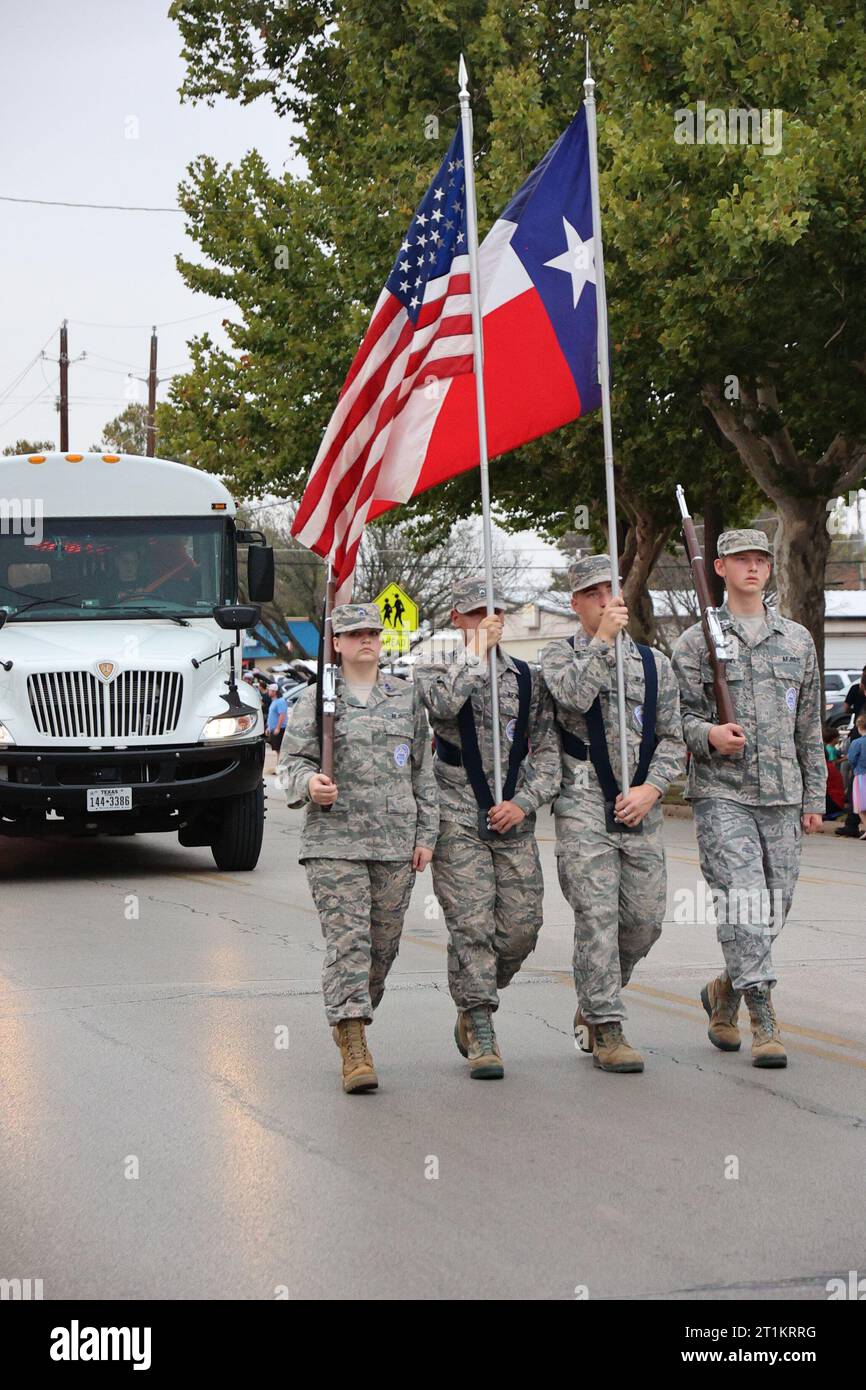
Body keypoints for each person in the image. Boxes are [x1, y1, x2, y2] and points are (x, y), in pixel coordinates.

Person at [672, 529, 825, 1068]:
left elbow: (809, 724)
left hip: (783, 794)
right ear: (719, 567)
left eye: (761, 559)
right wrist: (708, 735)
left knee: (772, 908)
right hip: (724, 793)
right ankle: (763, 1015)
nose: (753, 568)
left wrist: (815, 795)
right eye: (741, 560)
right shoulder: (697, 642)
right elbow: (676, 718)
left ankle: (725, 989)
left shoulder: (797, 640)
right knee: (743, 901)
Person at [277, 602, 438, 1093]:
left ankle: (352, 1013)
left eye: (373, 632)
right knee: (349, 943)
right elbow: (291, 762)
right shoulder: (317, 700)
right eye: (354, 633)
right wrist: (310, 785)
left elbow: (422, 772)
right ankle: (353, 1041)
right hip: (334, 841)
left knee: (382, 948)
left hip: (394, 842)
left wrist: (426, 835)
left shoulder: (406, 696)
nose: (366, 639)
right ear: (337, 643)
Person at [541, 555, 685, 1074]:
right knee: (597, 918)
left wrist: (653, 787)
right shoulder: (559, 656)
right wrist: (601, 642)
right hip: (583, 802)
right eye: (592, 593)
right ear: (576, 603)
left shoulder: (654, 663)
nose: (605, 600)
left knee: (644, 921)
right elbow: (573, 697)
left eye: (610, 590)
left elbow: (673, 737)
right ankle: (606, 1024)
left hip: (640, 805)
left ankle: (595, 994)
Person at [414, 577, 560, 1081]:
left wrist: (524, 802)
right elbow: (443, 707)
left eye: (494, 612)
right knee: (471, 925)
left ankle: (475, 989)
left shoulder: (528, 679)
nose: (488, 620)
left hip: (512, 816)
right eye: (477, 613)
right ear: (457, 618)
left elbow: (548, 754)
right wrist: (475, 652)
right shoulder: (435, 668)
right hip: (455, 811)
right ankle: (479, 1020)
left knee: (522, 927)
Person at [846, 713, 866, 838]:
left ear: (859, 727)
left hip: (861, 775)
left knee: (860, 805)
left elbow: (851, 759)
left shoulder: (857, 743)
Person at [266, 683, 288, 752]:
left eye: (269, 690)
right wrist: (269, 728)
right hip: (274, 729)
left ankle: (280, 759)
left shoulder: (280, 701)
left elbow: (282, 715)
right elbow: (272, 716)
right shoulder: (274, 701)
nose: (268, 691)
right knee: (277, 750)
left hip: (280, 729)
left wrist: (278, 728)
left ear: (274, 692)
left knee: (280, 750)